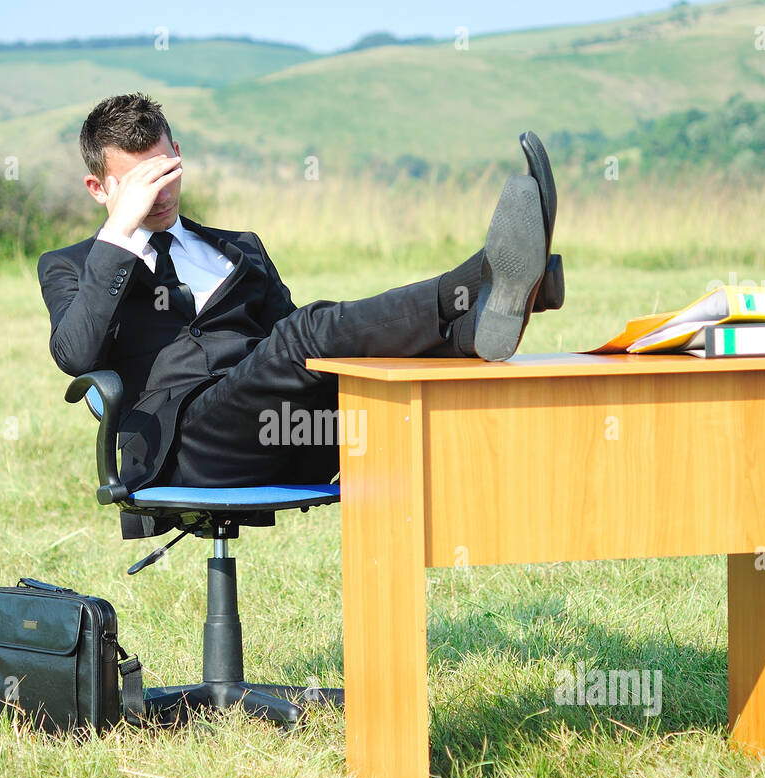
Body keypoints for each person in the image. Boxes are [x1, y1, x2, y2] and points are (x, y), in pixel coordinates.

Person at [38, 93, 562, 537]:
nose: (160, 193)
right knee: (303, 332)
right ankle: (481, 281)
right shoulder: (74, 265)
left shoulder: (237, 249)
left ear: (177, 153)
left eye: (166, 171)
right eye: (138, 184)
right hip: (185, 448)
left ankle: (476, 325)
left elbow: (303, 361)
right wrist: (121, 233)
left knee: (369, 382)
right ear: (99, 189)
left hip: (289, 433)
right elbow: (76, 353)